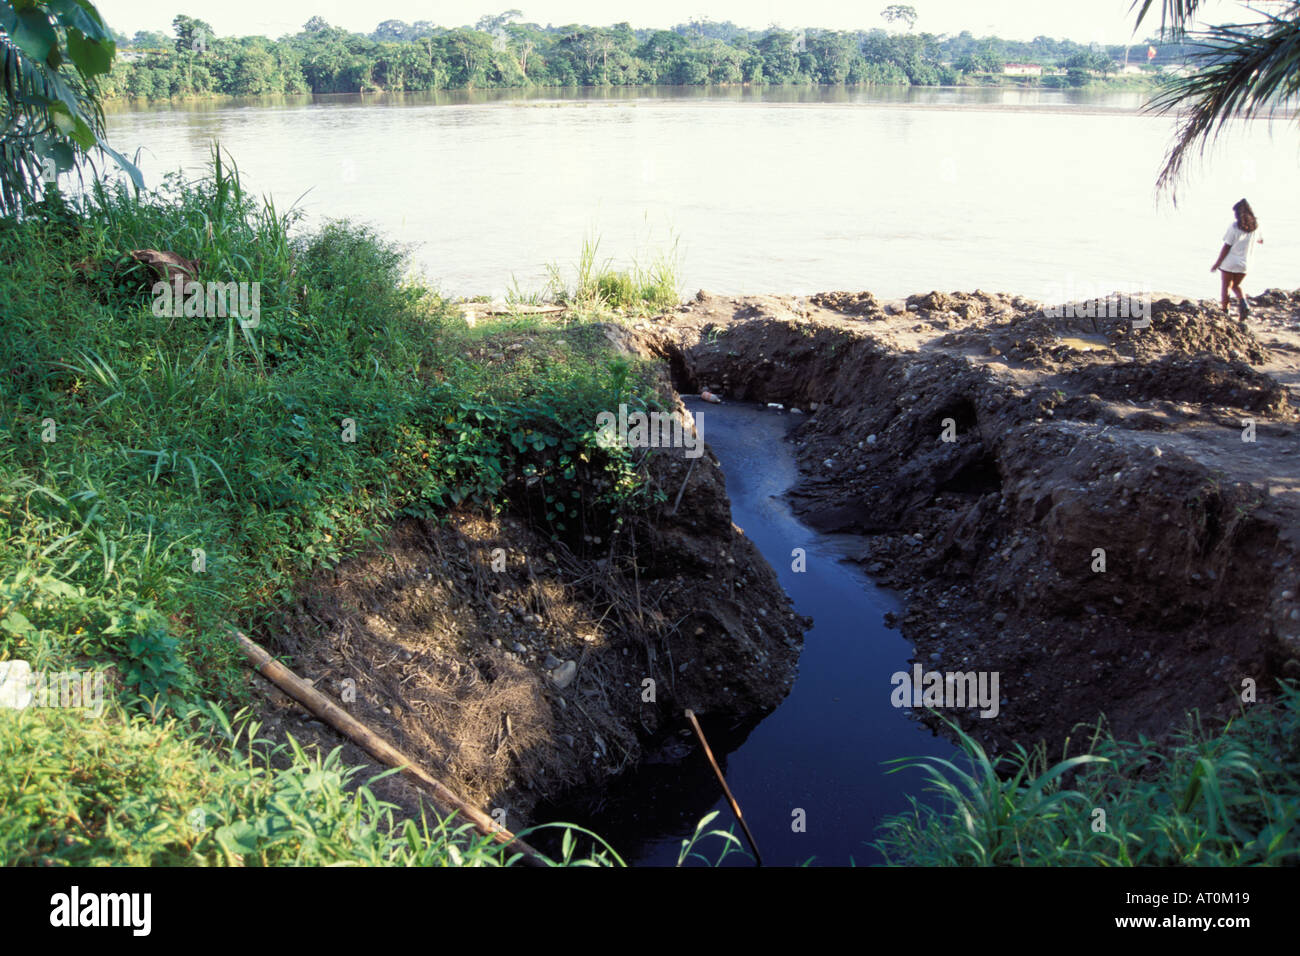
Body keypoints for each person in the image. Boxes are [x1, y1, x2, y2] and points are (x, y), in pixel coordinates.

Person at [1211, 198, 1263, 323]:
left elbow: (1227, 246)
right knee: (1237, 285)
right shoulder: (1257, 226)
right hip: (1246, 263)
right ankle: (1244, 304)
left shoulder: (1234, 227)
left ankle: (1225, 311)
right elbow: (1260, 240)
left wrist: (1217, 263)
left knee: (1226, 287)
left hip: (1230, 262)